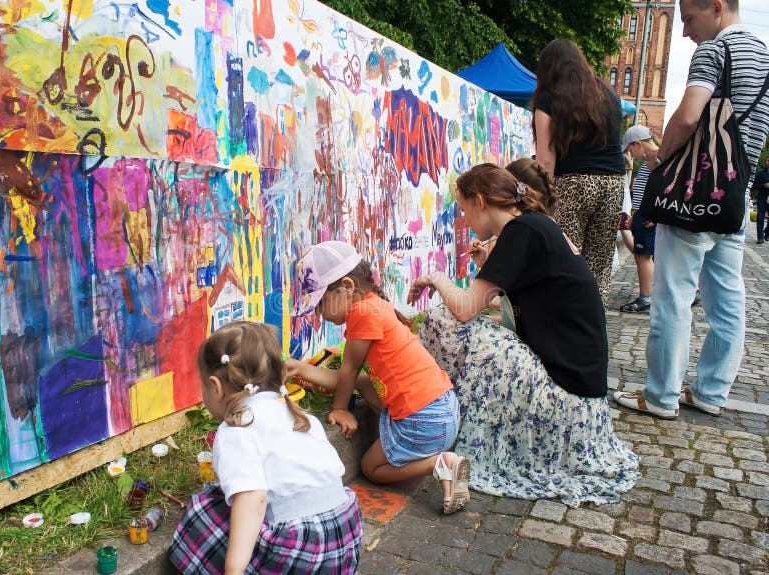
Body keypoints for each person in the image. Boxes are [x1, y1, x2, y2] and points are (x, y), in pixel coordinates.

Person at [407, 162, 640, 508]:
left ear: (480, 201)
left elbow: (466, 309)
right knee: (480, 333)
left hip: (566, 396)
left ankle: (425, 415)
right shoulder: (537, 226)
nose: (465, 221)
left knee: (444, 322)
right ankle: (444, 416)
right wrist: (489, 263)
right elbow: (519, 313)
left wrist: (437, 279)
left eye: (464, 210)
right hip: (584, 399)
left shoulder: (522, 231)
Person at [614, 0, 769, 419]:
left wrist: (660, 158)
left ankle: (662, 396)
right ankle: (710, 391)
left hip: (694, 198)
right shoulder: (766, 60)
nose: (684, 32)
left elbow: (687, 115)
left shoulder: (716, 50)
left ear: (716, 7)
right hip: (733, 202)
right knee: (727, 303)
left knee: (672, 297)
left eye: (688, 19)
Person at [288, 241, 469, 514]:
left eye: (320, 302)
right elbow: (350, 377)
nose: (319, 314)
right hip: (443, 410)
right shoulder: (375, 307)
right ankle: (434, 455)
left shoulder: (361, 313)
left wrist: (339, 409)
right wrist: (299, 368)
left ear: (347, 287)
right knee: (364, 382)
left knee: (370, 468)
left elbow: (347, 370)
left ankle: (439, 464)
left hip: (425, 421)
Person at [168, 321, 363, 574]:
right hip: (344, 533)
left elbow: (253, 499)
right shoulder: (303, 418)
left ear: (215, 387)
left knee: (202, 510)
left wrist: (233, 570)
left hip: (303, 546)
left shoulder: (236, 430)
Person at [532, 38, 627, 306]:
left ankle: (561, 321)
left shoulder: (549, 99)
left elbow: (546, 161)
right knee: (598, 262)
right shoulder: (609, 96)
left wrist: (541, 203)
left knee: (562, 258)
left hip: (573, 183)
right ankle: (592, 323)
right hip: (613, 183)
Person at [619, 125, 658, 313]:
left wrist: (653, 213)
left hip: (648, 215)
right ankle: (649, 295)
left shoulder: (656, 159)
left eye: (630, 149)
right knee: (644, 255)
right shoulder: (653, 158)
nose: (630, 153)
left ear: (638, 144)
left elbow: (661, 188)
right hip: (644, 213)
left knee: (642, 255)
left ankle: (646, 297)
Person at [753, 155, 769, 244]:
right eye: (766, 160)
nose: (766, 162)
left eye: (768, 160)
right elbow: (753, 186)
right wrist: (764, 186)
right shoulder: (760, 174)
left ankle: (767, 233)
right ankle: (760, 237)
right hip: (762, 199)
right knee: (760, 218)